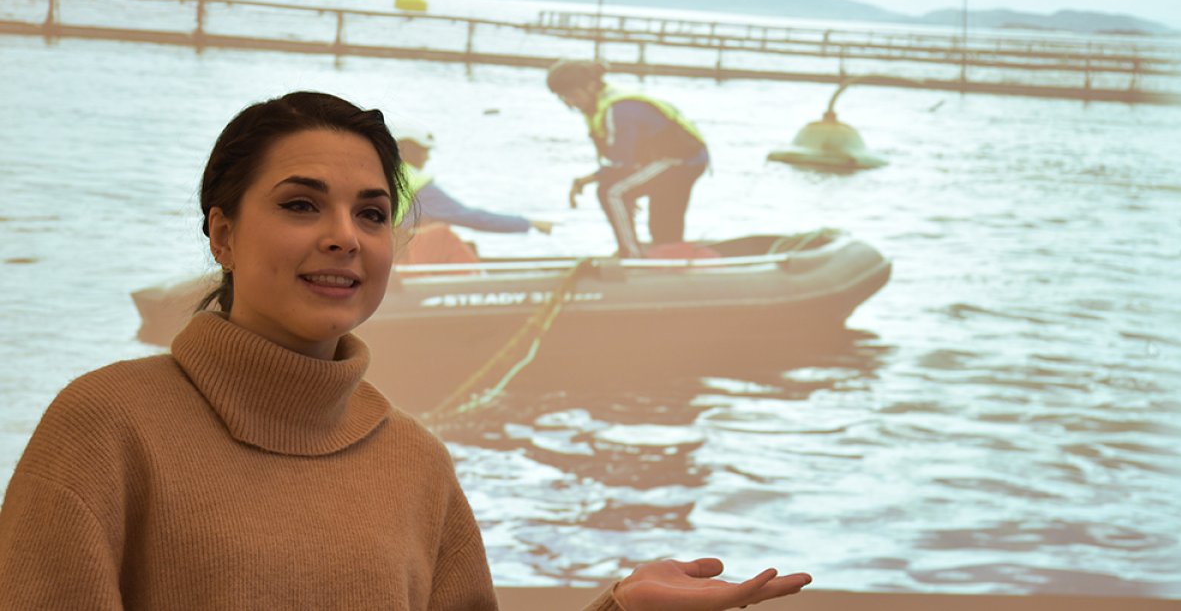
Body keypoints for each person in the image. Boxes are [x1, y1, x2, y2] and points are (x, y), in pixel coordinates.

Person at [0, 91, 810, 609]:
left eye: (373, 213)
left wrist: (616, 608)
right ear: (222, 232)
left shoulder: (414, 462)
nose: (343, 238)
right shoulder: (103, 427)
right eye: (300, 204)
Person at [547, 59, 710, 258]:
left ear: (590, 86)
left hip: (681, 161)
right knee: (661, 227)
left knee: (612, 192)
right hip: (676, 161)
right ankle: (668, 253)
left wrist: (583, 181)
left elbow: (619, 165)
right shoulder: (598, 104)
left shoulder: (619, 110)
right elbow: (620, 160)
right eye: (563, 97)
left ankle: (630, 256)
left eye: (573, 95)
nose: (570, 103)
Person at [393, 123, 553, 235]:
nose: (427, 157)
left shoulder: (384, 172)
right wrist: (528, 223)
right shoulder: (417, 184)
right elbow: (471, 218)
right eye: (424, 150)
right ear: (408, 149)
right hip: (393, 252)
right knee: (442, 235)